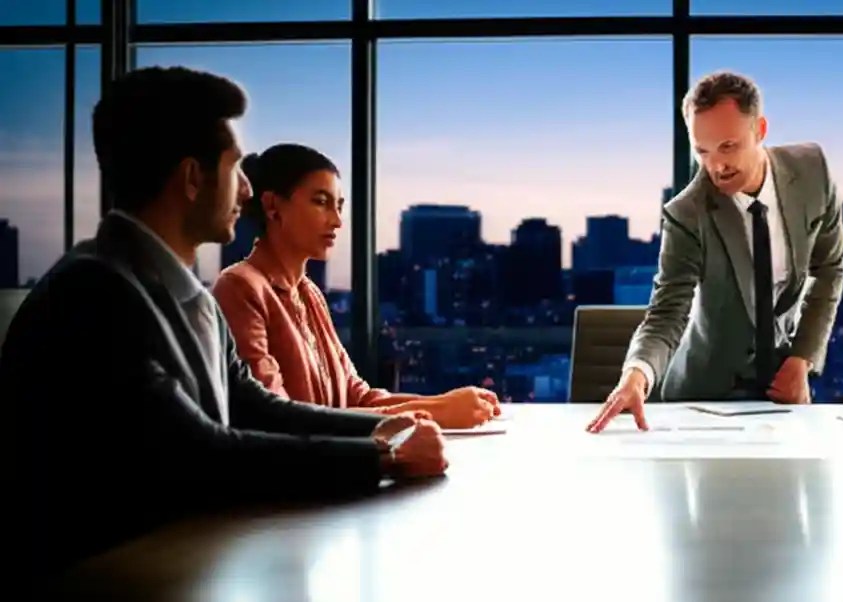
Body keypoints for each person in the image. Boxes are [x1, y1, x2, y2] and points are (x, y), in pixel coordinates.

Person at [0, 66, 447, 575]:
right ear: (193, 178)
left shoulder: (182, 293)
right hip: (97, 597)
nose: (247, 191)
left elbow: (256, 407)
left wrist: (387, 427)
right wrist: (384, 457)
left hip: (176, 568)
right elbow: (199, 454)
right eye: (236, 167)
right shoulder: (94, 293)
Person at [587, 70, 843, 432]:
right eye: (702, 151)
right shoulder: (687, 214)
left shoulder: (812, 170)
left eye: (728, 146)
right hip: (702, 398)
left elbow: (830, 269)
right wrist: (637, 374)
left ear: (760, 130)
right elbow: (667, 312)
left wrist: (802, 357)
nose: (716, 166)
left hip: (784, 391)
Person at [212, 143, 500, 429]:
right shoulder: (240, 288)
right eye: (321, 202)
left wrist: (443, 403)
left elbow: (357, 397)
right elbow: (274, 417)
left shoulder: (309, 294)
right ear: (272, 206)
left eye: (338, 206)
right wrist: (436, 412)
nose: (337, 221)